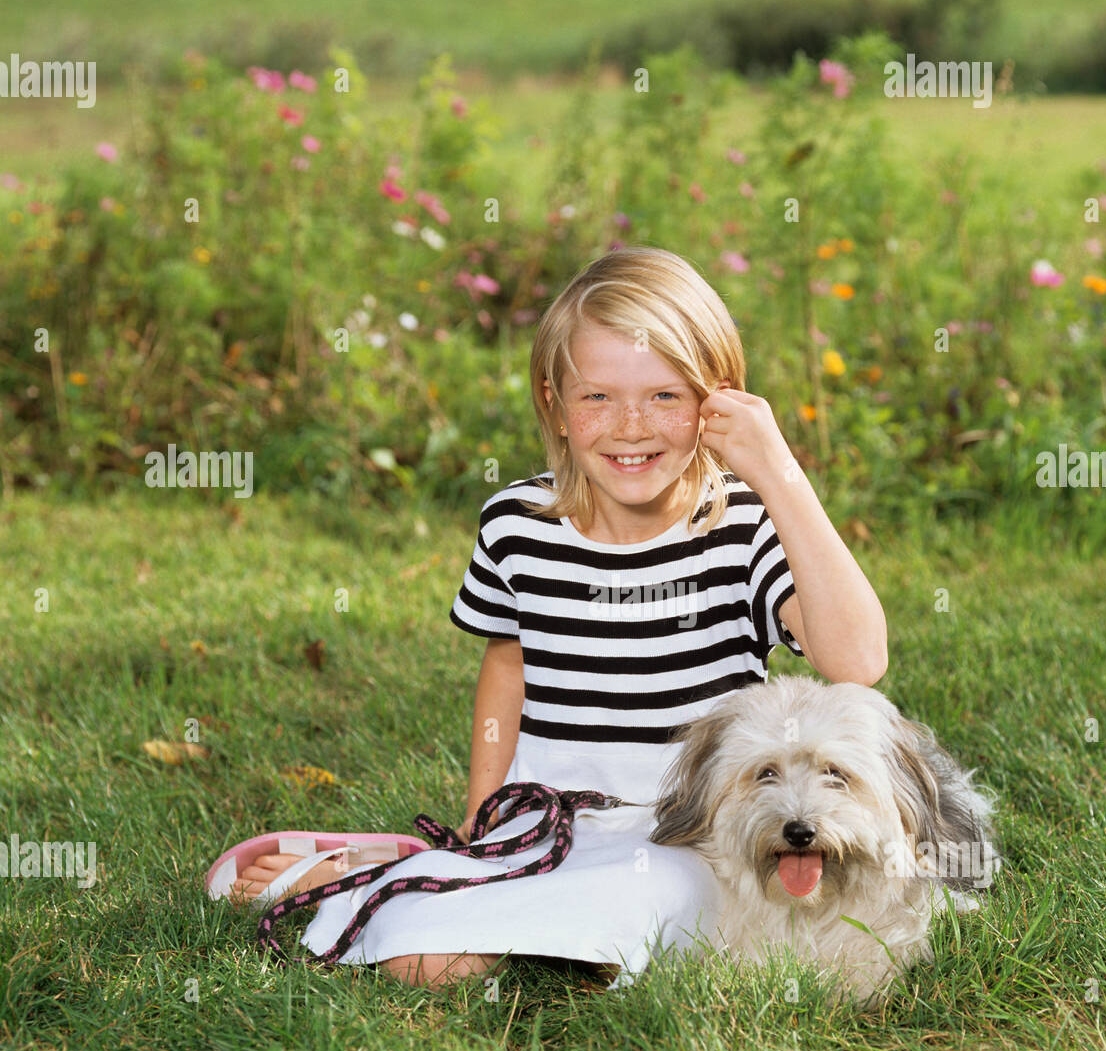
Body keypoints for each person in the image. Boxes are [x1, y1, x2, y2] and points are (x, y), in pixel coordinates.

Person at [216, 246, 888, 991]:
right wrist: (481, 820)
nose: (630, 425)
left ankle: (485, 905)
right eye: (597, 397)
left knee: (669, 907)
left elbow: (856, 659)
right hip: (545, 828)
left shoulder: (740, 526)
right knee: (424, 960)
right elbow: (508, 662)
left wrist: (778, 473)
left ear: (716, 403)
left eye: (666, 396)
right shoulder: (517, 526)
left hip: (690, 840)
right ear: (554, 404)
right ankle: (374, 872)